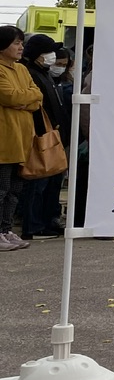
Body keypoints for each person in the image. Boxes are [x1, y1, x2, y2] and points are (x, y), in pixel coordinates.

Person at [18, 33, 66, 239]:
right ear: (38, 54)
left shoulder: (44, 73)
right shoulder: (31, 73)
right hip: (40, 136)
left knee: (51, 182)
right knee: (37, 183)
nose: (52, 56)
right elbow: (36, 105)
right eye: (48, 51)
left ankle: (46, 222)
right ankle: (33, 226)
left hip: (53, 135)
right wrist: (41, 132)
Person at [0, 26, 42, 251]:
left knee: (15, 190)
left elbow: (38, 96)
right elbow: (8, 96)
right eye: (16, 43)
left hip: (22, 140)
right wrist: (25, 99)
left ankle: (6, 230)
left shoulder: (22, 70)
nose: (20, 47)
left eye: (21, 43)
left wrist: (24, 100)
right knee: (1, 189)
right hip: (4, 142)